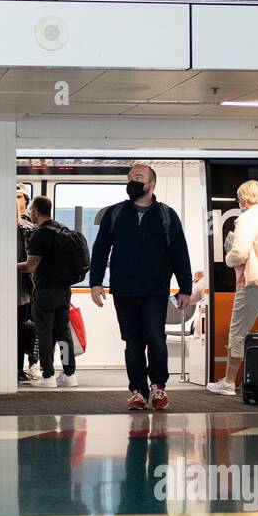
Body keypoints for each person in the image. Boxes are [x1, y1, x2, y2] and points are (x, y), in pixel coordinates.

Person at [88, 162, 192, 411]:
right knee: (133, 342)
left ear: (151, 184)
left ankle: (158, 387)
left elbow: (180, 253)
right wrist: (95, 283)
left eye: (138, 176)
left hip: (155, 291)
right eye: (130, 176)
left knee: (155, 338)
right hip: (123, 290)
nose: (132, 180)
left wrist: (185, 287)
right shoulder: (114, 214)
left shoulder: (167, 215)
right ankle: (137, 390)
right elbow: (100, 250)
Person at [207, 180, 258, 396]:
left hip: (254, 281)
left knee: (238, 331)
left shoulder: (246, 219)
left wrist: (228, 257)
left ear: (243, 200)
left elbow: (240, 253)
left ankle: (228, 382)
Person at [18, 195, 78, 388]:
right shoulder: (62, 229)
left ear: (35, 211)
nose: (30, 214)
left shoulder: (40, 234)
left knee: (44, 334)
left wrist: (10, 266)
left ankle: (48, 376)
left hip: (45, 292)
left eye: (31, 211)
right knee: (63, 333)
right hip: (64, 291)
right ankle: (69, 374)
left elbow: (31, 266)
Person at [16, 186, 39, 383]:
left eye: (18, 197)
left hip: (24, 289)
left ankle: (23, 366)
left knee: (23, 331)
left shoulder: (29, 228)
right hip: (11, 288)